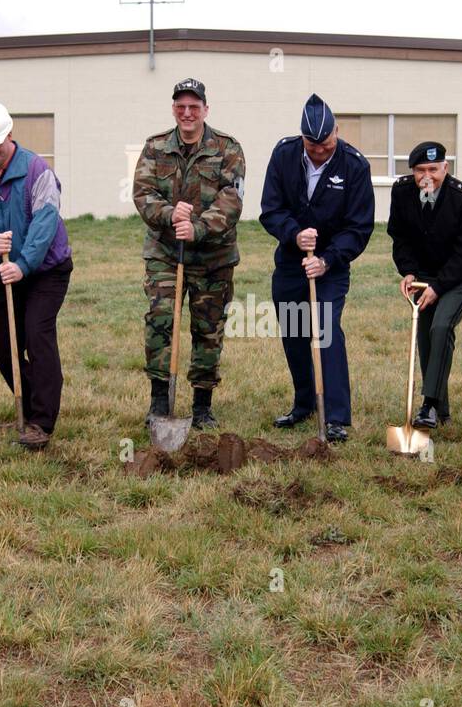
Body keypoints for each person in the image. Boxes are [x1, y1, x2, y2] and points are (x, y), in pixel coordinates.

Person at [0, 100, 73, 450]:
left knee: (37, 336)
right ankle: (31, 398)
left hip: (46, 269)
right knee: (1, 344)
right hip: (4, 270)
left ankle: (41, 421)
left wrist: (23, 265)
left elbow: (45, 224)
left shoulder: (38, 171)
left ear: (10, 136)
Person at [259, 94, 375, 442]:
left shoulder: (355, 166)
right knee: (295, 332)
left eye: (325, 143)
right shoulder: (283, 155)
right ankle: (305, 403)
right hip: (292, 262)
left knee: (325, 329)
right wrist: (295, 235)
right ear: (302, 138)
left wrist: (327, 260)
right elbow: (270, 209)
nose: (319, 151)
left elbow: (359, 228)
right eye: (312, 144)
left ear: (336, 132)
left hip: (331, 265)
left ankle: (336, 416)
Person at [132, 78, 245, 429]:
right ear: (174, 110)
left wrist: (197, 227)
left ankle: (201, 407)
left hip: (213, 257)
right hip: (166, 252)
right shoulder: (155, 147)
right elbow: (143, 193)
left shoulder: (228, 149)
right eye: (180, 106)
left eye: (194, 107)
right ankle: (159, 402)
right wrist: (169, 215)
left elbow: (232, 200)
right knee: (160, 321)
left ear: (205, 110)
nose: (187, 113)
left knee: (208, 330)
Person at [386, 141, 462, 428]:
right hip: (424, 272)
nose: (426, 176)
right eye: (420, 170)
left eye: (433, 168)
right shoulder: (402, 192)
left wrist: (439, 287)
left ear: (446, 168)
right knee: (426, 336)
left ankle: (428, 404)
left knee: (441, 326)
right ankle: (441, 411)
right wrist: (407, 272)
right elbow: (400, 236)